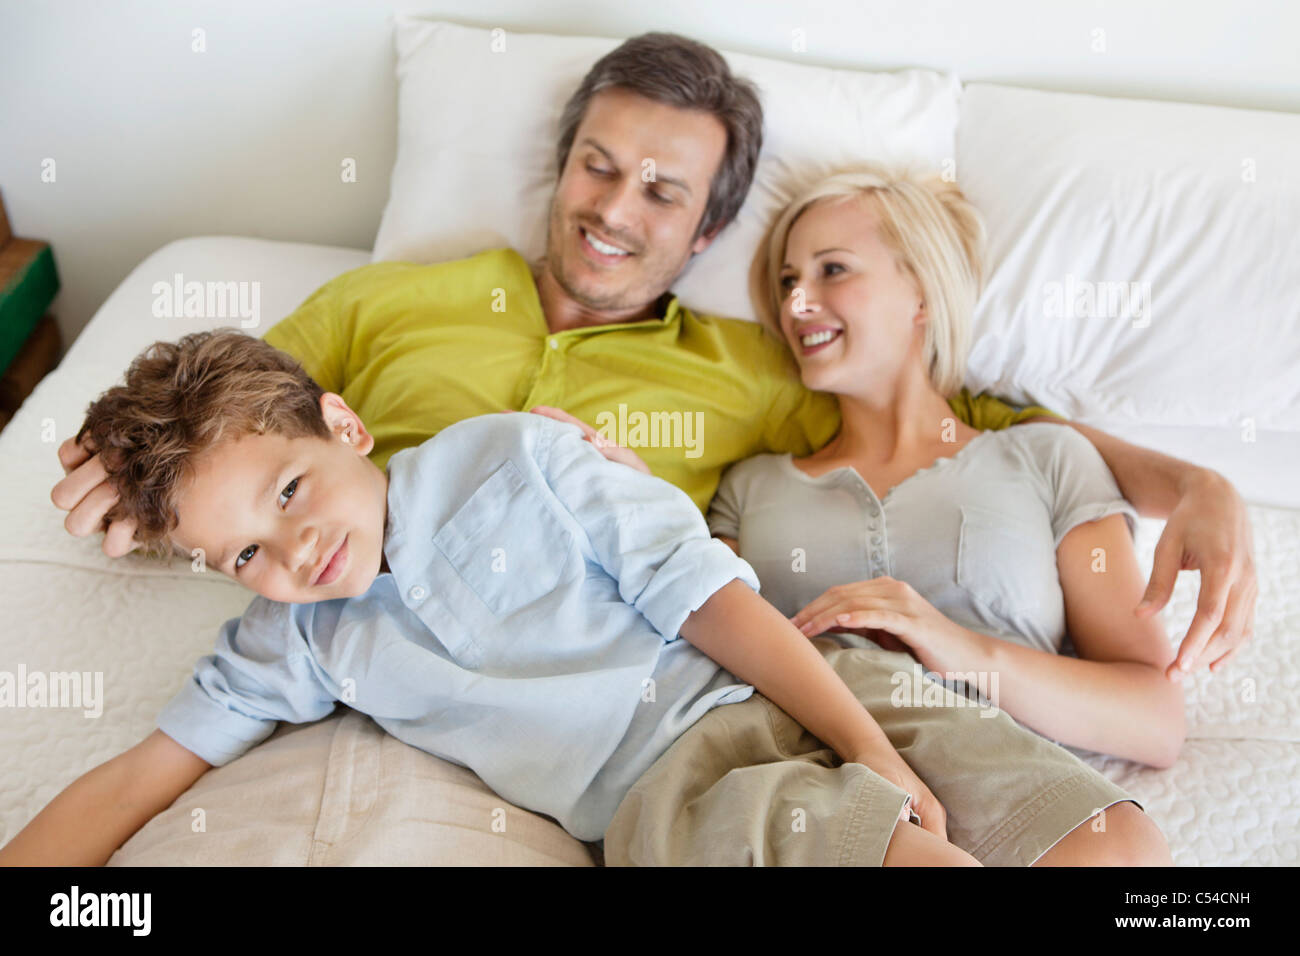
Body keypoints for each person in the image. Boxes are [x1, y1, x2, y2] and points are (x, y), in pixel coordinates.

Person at [51, 35, 1253, 686]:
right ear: (563, 164)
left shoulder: (754, 367)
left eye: (664, 190)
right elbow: (213, 418)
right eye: (600, 165)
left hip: (553, 699)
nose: (616, 209)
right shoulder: (383, 297)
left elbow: (955, 413)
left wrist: (1193, 484)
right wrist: (121, 468)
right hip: (327, 648)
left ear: (707, 231)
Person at [3, 331, 1168, 866]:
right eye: (242, 554)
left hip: (806, 676)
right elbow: (137, 777)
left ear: (347, 425)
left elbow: (716, 607)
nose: (291, 550)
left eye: (293, 488)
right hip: (669, 798)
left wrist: (873, 744)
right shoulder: (297, 639)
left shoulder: (513, 458)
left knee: (1118, 843)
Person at [707, 164, 1184, 768]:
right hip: (813, 809)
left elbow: (1156, 720)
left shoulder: (1046, 458)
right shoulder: (750, 488)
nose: (797, 304)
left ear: (923, 295)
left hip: (1016, 803)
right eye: (786, 281)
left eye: (833, 269)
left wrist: (958, 648)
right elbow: (705, 663)